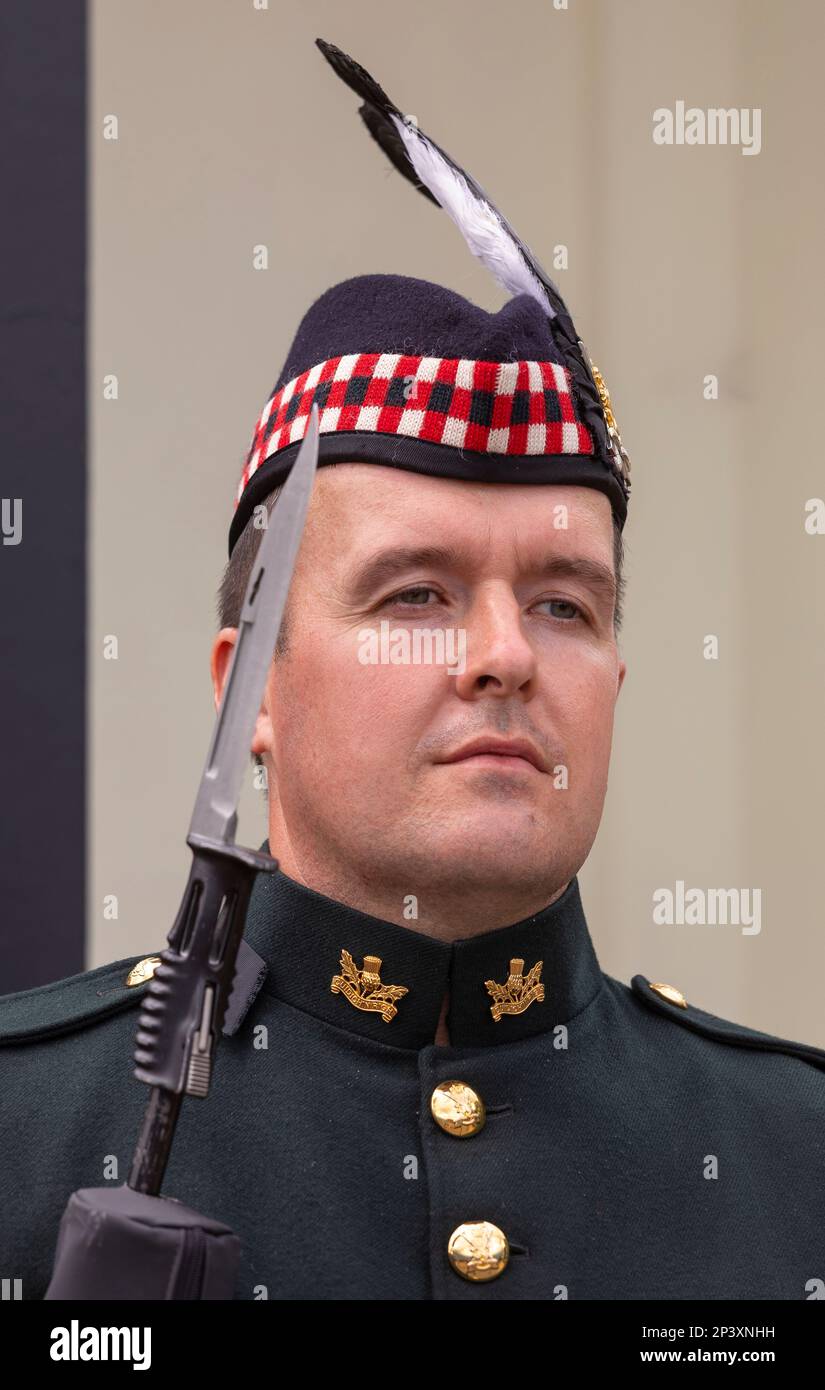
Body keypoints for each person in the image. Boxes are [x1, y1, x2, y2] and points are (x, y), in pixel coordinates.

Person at [1, 40, 823, 1302]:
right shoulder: (28, 1131)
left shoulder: (794, 1157)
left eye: (565, 604)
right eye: (416, 595)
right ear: (251, 693)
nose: (502, 657)